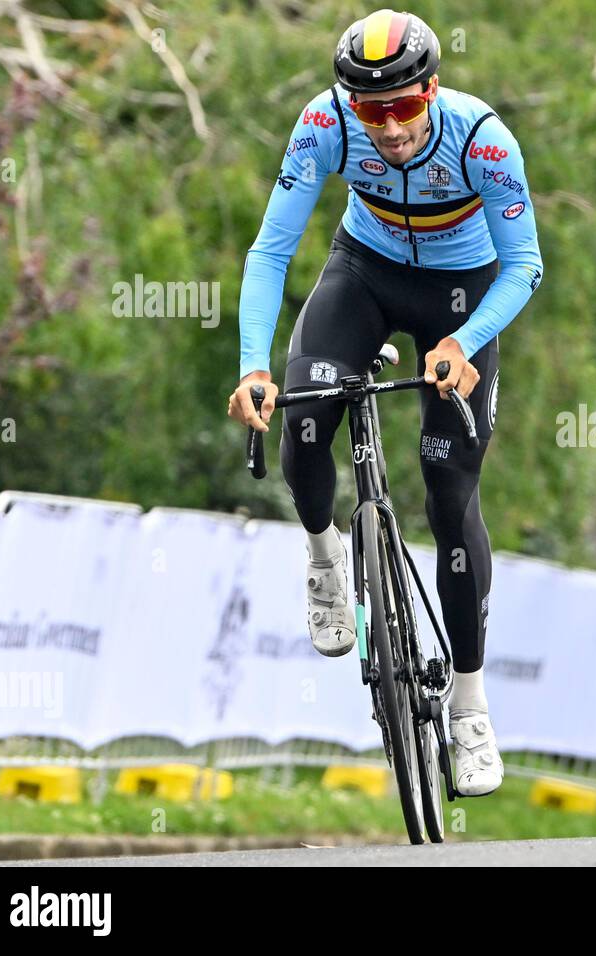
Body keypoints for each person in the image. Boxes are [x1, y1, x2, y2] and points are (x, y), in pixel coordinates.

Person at [226, 9, 543, 797]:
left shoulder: (484, 140)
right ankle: (326, 555)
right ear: (349, 106)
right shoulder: (323, 123)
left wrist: (464, 343)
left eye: (405, 105)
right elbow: (271, 249)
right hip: (362, 272)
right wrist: (251, 366)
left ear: (432, 88)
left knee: (447, 490)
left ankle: (469, 706)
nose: (391, 127)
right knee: (302, 417)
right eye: (372, 111)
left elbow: (526, 265)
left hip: (463, 296)